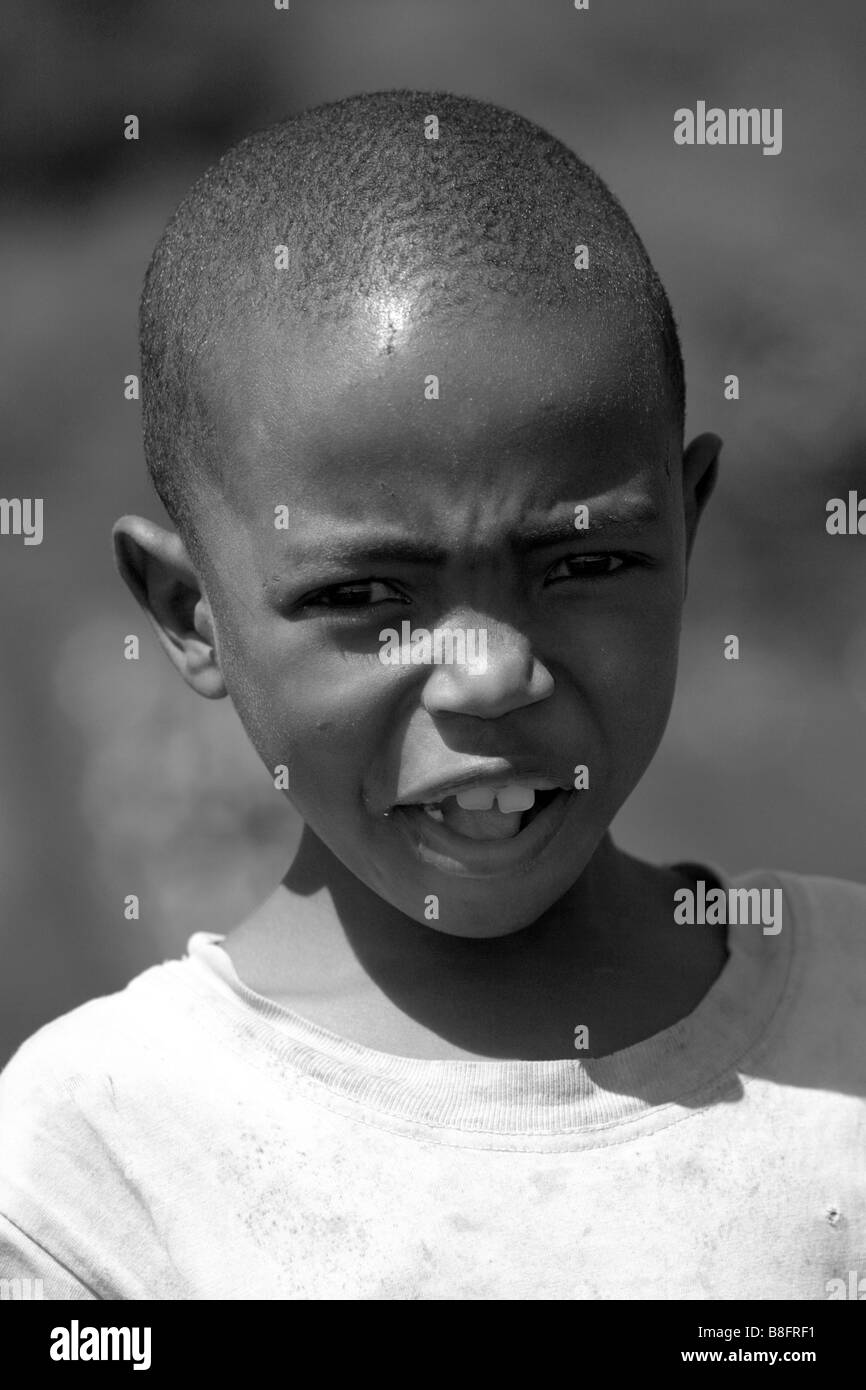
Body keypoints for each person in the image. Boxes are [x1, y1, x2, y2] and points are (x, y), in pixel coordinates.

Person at [1, 91, 863, 1300]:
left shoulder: (846, 1016)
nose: (492, 672)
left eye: (582, 564)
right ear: (189, 614)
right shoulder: (94, 1168)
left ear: (686, 527)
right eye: (364, 592)